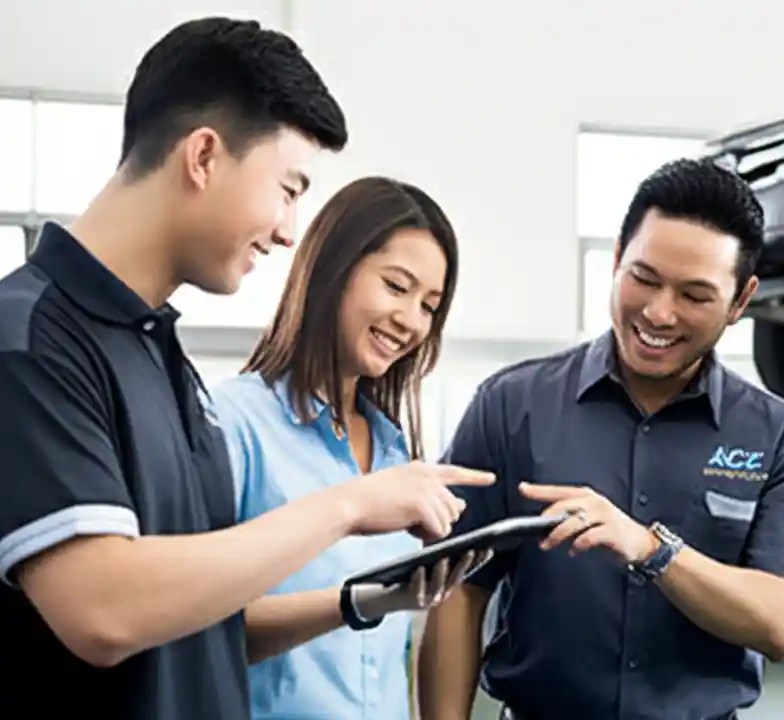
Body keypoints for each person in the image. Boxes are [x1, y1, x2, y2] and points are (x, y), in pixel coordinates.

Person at [0, 17, 491, 720]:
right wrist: (350, 505)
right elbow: (104, 612)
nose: (290, 229)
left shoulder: (163, 363)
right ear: (204, 156)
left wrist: (363, 599)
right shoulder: (29, 340)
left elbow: (201, 631)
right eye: (289, 189)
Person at [417, 158, 784, 720]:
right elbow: (460, 590)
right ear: (616, 260)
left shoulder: (778, 438)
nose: (659, 313)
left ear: (740, 301)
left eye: (694, 295)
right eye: (644, 278)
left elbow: (782, 625)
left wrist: (652, 549)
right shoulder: (512, 406)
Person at [210, 176, 489, 720]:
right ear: (332, 270)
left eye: (430, 305)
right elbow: (197, 629)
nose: (411, 320)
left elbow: (384, 662)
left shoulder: (394, 452)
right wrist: (359, 603)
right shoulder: (235, 424)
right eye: (396, 286)